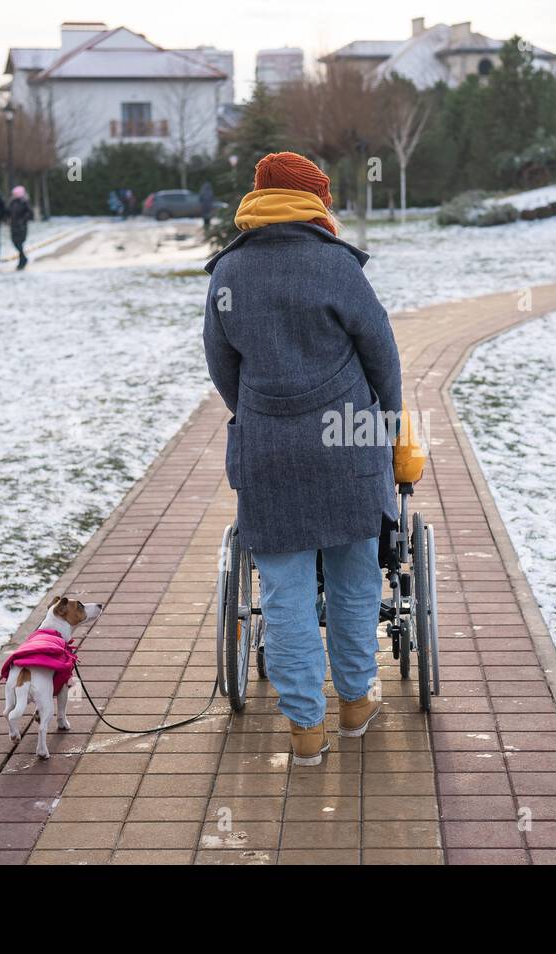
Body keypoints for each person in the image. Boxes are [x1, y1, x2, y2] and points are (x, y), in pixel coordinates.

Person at [203, 152, 403, 766]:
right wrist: (387, 423)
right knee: (354, 577)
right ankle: (353, 703)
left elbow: (222, 366)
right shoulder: (336, 266)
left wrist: (264, 412)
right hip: (348, 441)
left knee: (285, 588)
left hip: (267, 451)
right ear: (313, 203)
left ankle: (304, 730)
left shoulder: (229, 273)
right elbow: (382, 355)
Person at [8, 185, 33, 270]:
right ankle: (23, 258)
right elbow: (8, 212)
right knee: (15, 242)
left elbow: (30, 213)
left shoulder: (25, 202)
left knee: (19, 243)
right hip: (13, 226)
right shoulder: (12, 202)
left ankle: (22, 260)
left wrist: (23, 220)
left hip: (22, 226)